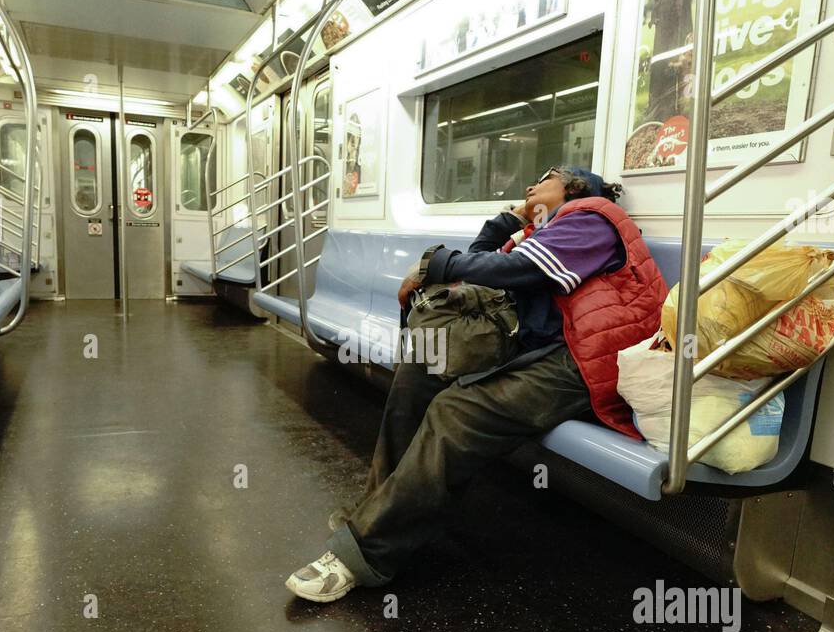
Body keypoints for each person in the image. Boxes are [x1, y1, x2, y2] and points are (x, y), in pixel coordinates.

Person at [285, 167, 668, 602]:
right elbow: (483, 260)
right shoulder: (541, 227)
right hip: (534, 350)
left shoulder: (592, 219)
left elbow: (520, 269)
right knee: (420, 372)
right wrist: (513, 217)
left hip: (587, 363)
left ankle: (368, 554)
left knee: (457, 412)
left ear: (573, 187)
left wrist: (433, 264)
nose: (531, 185)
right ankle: (377, 512)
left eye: (544, 178)